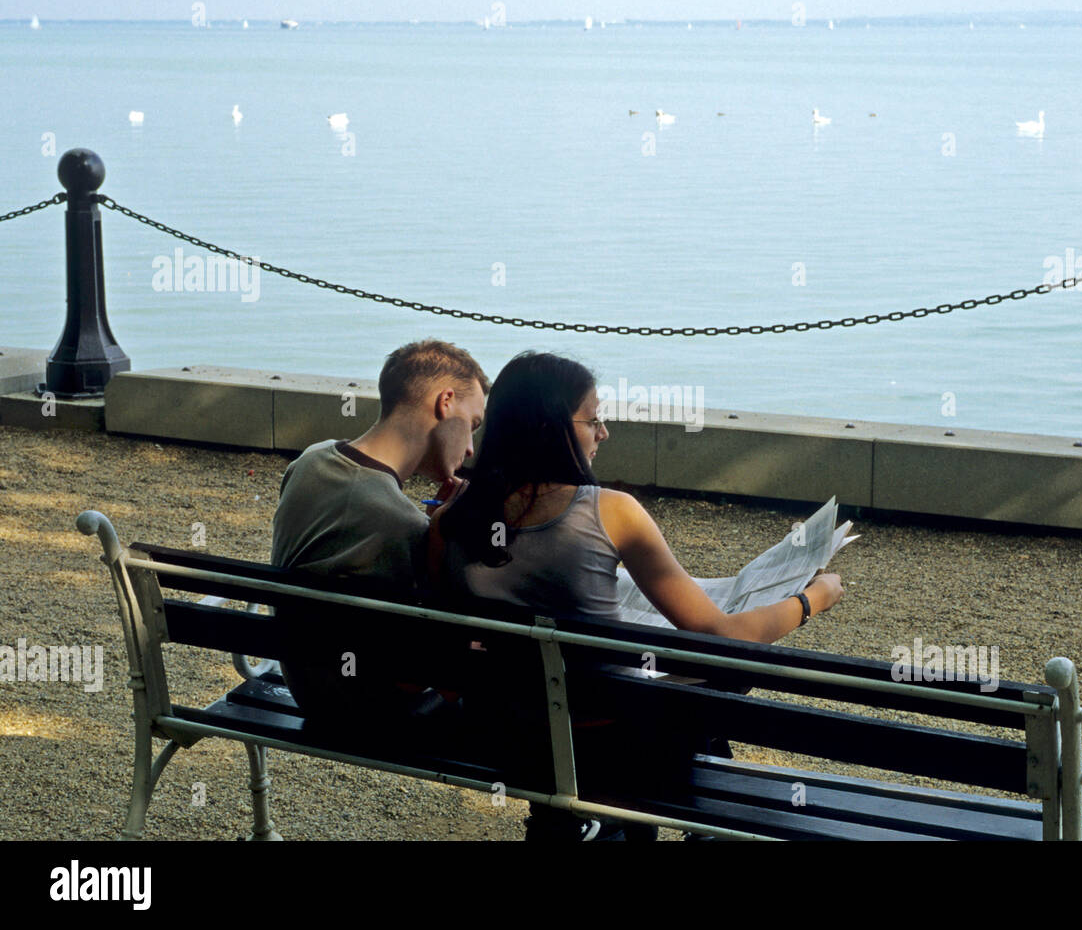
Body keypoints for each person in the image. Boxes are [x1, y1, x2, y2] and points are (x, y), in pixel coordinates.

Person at [432, 351, 844, 839]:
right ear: (551, 429)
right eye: (593, 420)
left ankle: (592, 822)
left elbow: (451, 644)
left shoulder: (449, 522)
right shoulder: (611, 512)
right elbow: (721, 634)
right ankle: (684, 822)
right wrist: (812, 600)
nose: (604, 433)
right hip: (613, 739)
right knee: (729, 665)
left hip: (507, 733)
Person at [270, 338, 488, 731]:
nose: (471, 448)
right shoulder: (402, 523)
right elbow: (444, 638)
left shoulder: (310, 459)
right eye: (472, 425)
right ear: (445, 402)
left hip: (306, 683)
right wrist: (445, 535)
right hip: (369, 712)